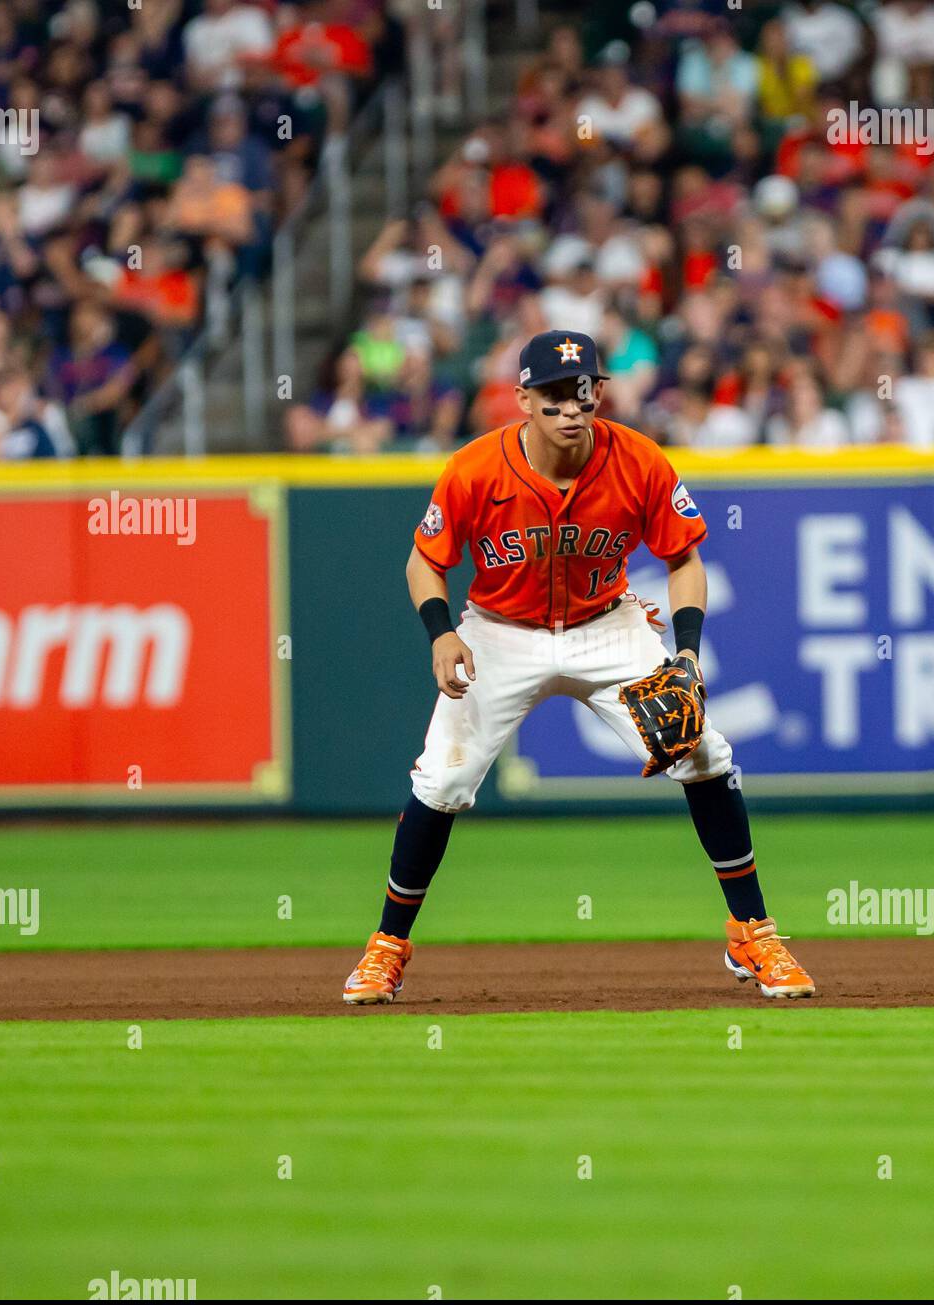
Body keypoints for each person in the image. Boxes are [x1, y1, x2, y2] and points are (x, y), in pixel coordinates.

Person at [342, 330, 817, 1006]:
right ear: (523, 399)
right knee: (442, 779)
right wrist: (440, 633)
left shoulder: (638, 460)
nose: (572, 407)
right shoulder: (476, 467)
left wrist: (685, 652)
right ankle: (386, 948)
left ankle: (752, 932)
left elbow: (683, 558)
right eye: (555, 394)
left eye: (583, 391)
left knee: (704, 752)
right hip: (501, 634)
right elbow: (426, 558)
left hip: (607, 628)